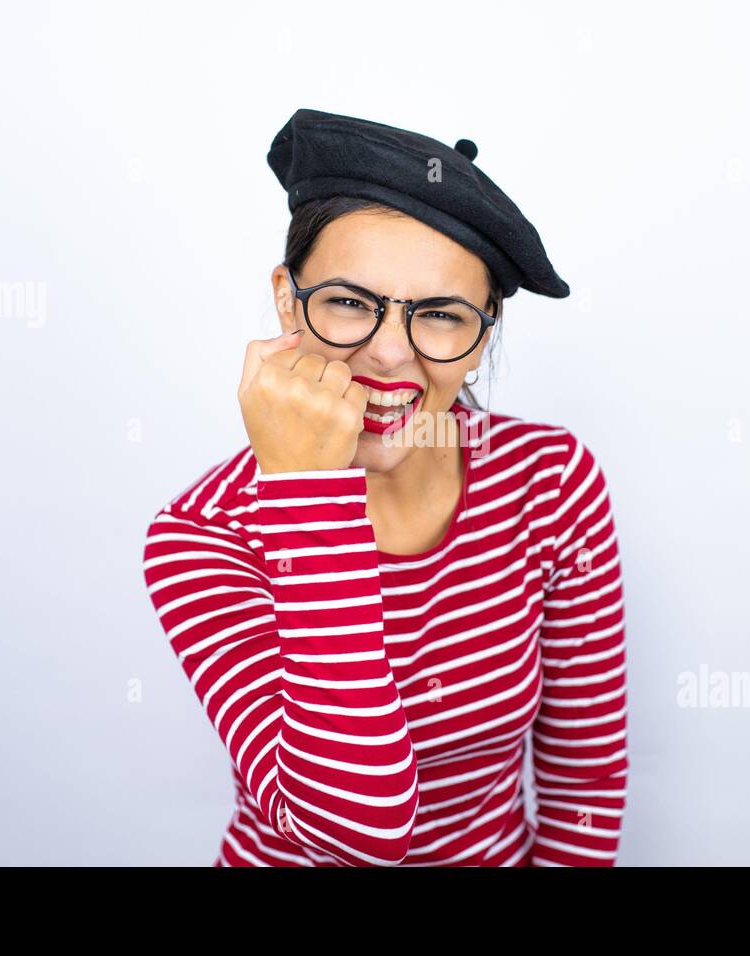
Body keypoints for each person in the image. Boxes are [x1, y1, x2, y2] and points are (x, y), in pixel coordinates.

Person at [142, 108, 627, 866]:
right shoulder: (204, 537)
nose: (390, 354)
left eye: (439, 315)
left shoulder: (551, 482)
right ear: (286, 299)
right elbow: (354, 836)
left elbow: (584, 785)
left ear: (483, 336)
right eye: (348, 301)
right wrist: (305, 491)